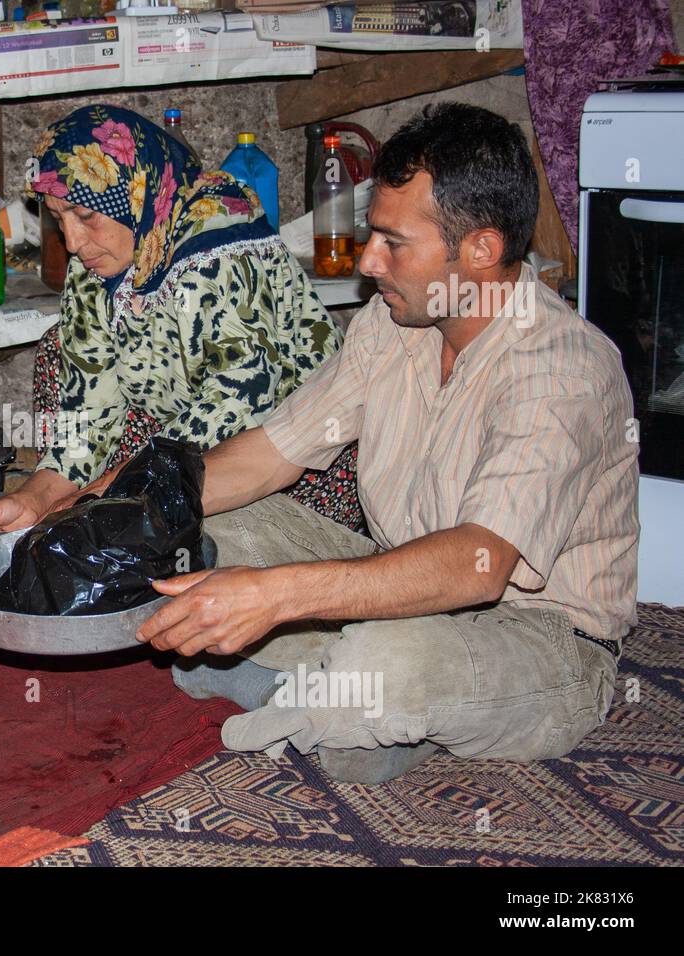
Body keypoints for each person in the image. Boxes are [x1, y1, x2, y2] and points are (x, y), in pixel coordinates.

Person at [131, 102, 639, 783]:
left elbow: (476, 567)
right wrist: (112, 508)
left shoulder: (562, 370)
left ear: (482, 251)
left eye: (394, 243)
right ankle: (342, 708)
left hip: (541, 638)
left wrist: (279, 598)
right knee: (197, 528)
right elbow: (272, 453)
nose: (369, 262)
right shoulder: (391, 324)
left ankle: (333, 695)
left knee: (385, 665)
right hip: (395, 574)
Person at [0, 104, 359, 538]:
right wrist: (38, 497)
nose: (73, 242)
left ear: (134, 194)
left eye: (86, 216)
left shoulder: (218, 244)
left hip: (294, 460)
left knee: (164, 537)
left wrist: (113, 488)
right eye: (59, 218)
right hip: (188, 438)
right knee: (57, 346)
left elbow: (240, 401)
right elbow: (90, 410)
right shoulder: (97, 262)